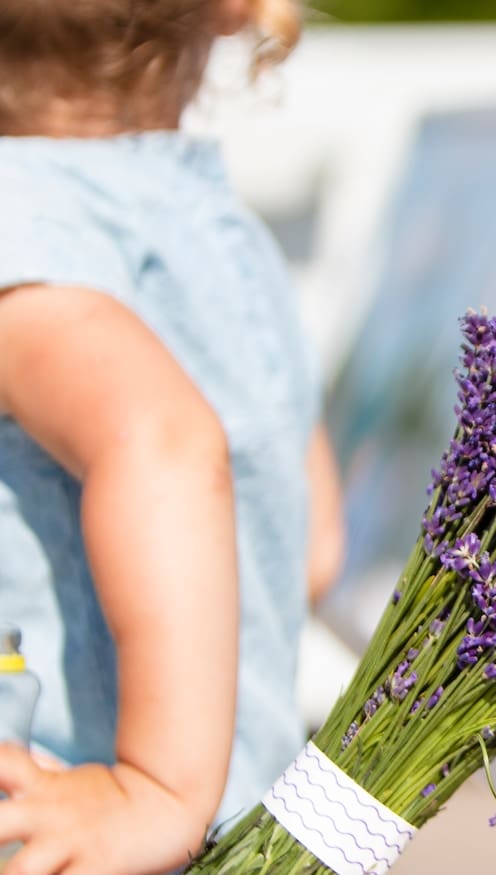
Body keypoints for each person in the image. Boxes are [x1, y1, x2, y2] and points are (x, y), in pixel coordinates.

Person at [0, 1, 345, 873]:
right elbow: (309, 547)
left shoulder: (17, 225)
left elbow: (159, 439)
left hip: (75, 821)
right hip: (249, 819)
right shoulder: (232, 244)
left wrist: (153, 788)